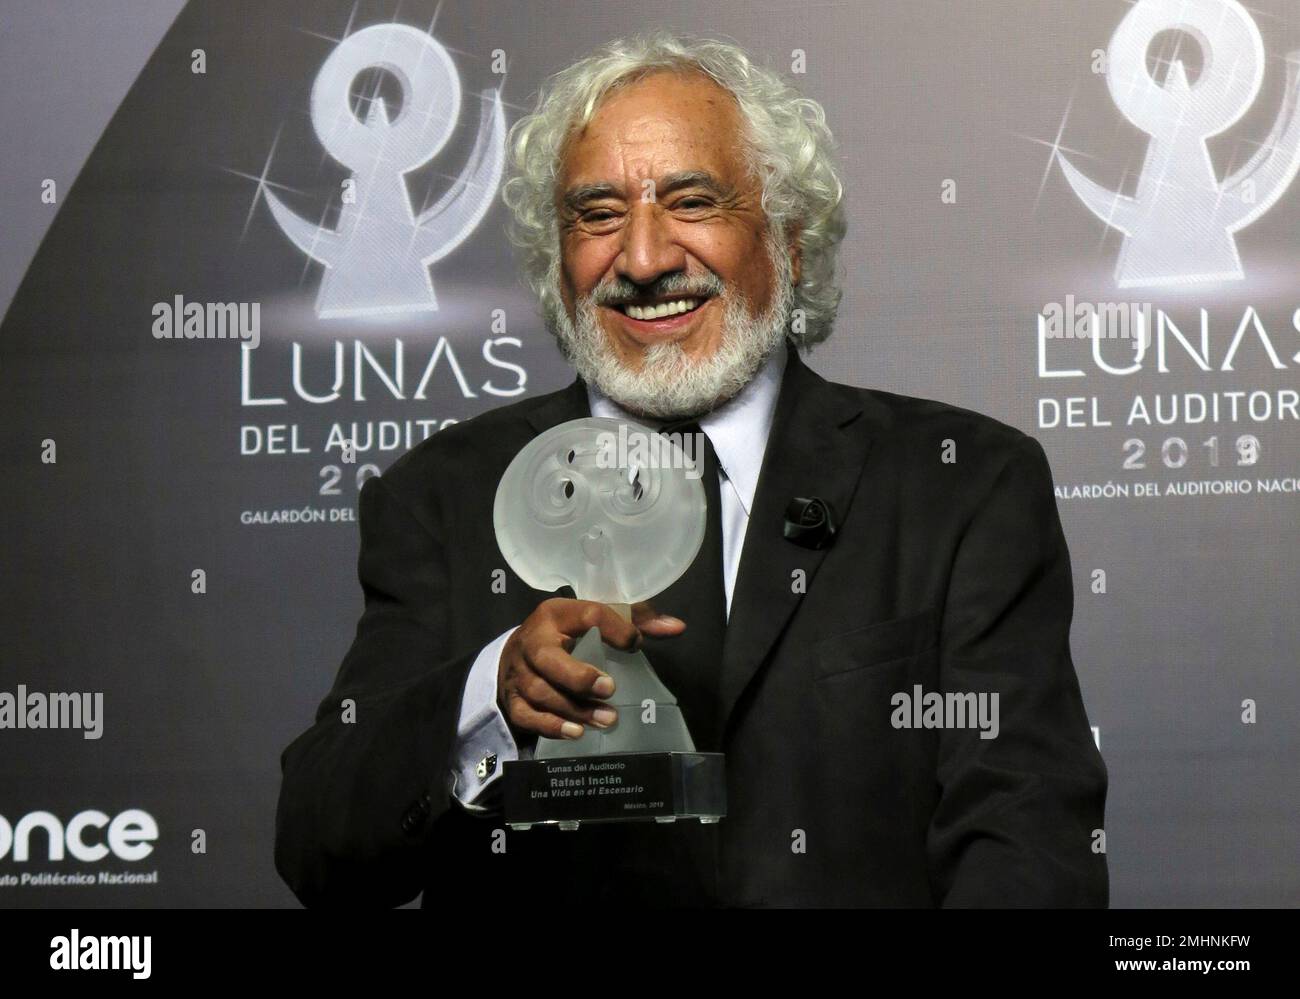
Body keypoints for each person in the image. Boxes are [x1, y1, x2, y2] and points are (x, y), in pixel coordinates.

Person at [274, 30, 1108, 908]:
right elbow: (320, 840)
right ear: (557, 262)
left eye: (691, 201)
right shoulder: (443, 497)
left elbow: (1027, 840)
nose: (642, 260)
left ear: (787, 235)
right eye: (597, 214)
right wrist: (491, 693)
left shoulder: (959, 486)